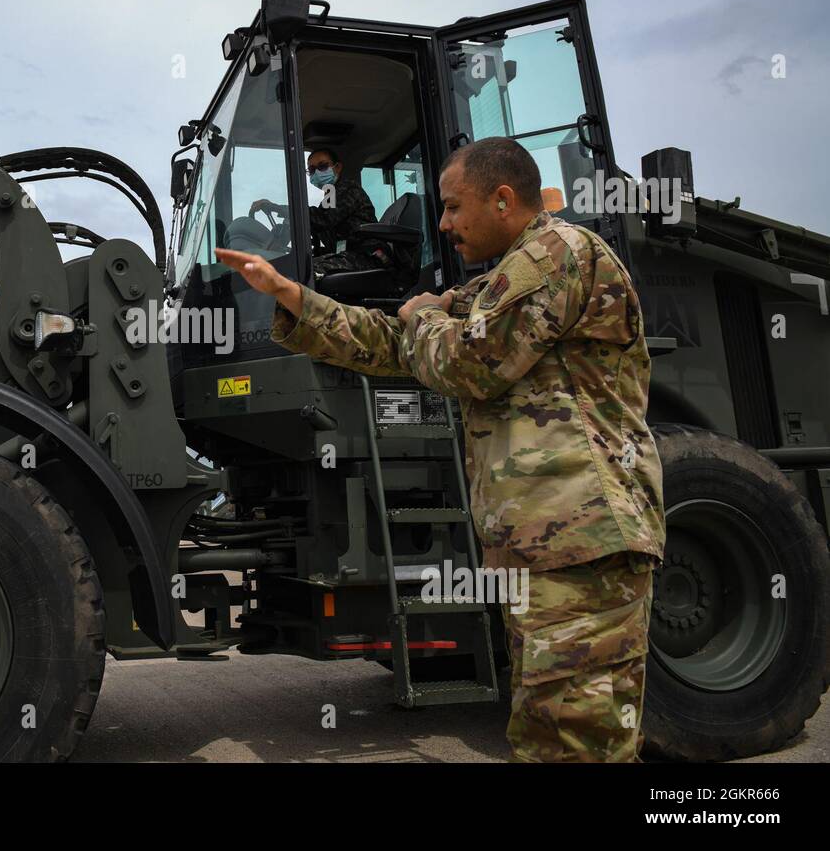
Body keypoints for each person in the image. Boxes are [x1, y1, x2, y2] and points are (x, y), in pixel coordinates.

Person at [215, 136, 666, 762]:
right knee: (562, 734)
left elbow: (466, 363)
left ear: (502, 200)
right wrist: (292, 296)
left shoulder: (557, 254)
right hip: (549, 545)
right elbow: (396, 344)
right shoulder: (504, 280)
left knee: (572, 740)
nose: (444, 224)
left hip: (579, 541)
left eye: (454, 207)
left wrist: (426, 314)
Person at [250, 148, 388, 277]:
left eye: (322, 166)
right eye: (311, 170)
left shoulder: (347, 188)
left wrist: (278, 208)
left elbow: (323, 220)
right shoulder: (330, 195)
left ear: (337, 167)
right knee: (296, 266)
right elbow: (318, 225)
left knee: (301, 272)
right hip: (350, 255)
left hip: (369, 257)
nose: (316, 172)